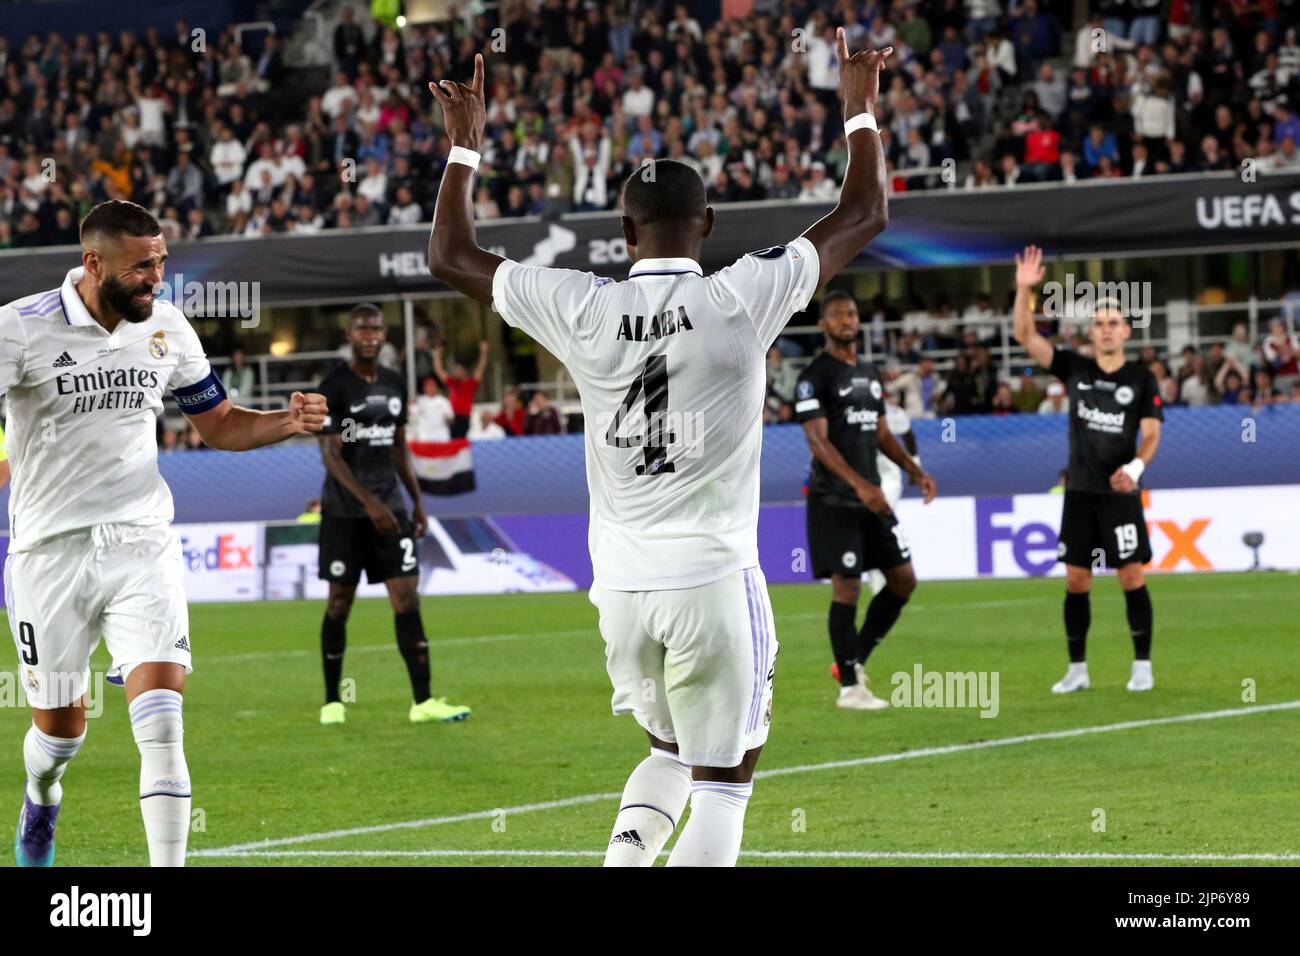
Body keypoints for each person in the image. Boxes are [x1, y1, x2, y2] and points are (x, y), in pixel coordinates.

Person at [426, 37, 893, 866]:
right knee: (725, 779)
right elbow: (864, 216)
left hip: (621, 590)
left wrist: (466, 141)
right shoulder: (740, 296)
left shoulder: (581, 305)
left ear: (623, 230)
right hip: (711, 578)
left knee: (669, 753)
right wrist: (858, 103)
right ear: (707, 224)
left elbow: (451, 257)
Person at [1, 200, 326, 867]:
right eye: (142, 266)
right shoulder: (18, 330)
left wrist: (284, 422)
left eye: (161, 262)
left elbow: (220, 422)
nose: (156, 277)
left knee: (162, 723)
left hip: (141, 543)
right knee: (60, 737)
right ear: (95, 264)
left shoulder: (169, 328)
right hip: (48, 555)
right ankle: (42, 796)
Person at [1012, 245, 1163, 694]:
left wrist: (1135, 466)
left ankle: (1142, 665)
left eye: (1113, 322)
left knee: (1131, 575)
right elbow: (1025, 335)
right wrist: (1024, 291)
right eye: (1099, 323)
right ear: (1092, 333)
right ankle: (1077, 668)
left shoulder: (1142, 378)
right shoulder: (1074, 367)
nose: (1106, 329)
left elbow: (1152, 433)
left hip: (1120, 493)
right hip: (1078, 490)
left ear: (1126, 330)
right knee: (1076, 580)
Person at [314, 305, 470, 727]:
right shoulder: (335, 386)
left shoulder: (394, 382)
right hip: (346, 512)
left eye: (378, 329)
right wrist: (368, 501)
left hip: (392, 509)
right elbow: (330, 453)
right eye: (363, 328)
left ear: (385, 336)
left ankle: (422, 701)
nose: (371, 335)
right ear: (350, 333)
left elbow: (398, 445)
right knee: (340, 601)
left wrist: (416, 502)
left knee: (406, 596)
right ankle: (333, 699)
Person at [795, 292, 936, 711]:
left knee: (903, 579)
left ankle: (852, 662)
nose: (847, 319)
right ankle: (851, 689)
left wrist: (914, 470)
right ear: (823, 324)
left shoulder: (871, 374)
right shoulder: (814, 377)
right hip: (834, 499)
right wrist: (859, 484)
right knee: (848, 587)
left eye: (852, 313)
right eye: (837, 314)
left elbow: (880, 433)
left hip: (870, 497)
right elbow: (818, 442)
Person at [432, 340, 488, 438]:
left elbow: (480, 368)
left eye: (458, 370)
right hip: (451, 418)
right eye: (455, 369)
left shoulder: (471, 384)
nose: (455, 372)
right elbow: (439, 370)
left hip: (464, 419)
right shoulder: (453, 383)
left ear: (464, 371)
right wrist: (437, 353)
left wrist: (484, 352)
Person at [410, 375, 454, 442]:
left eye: (432, 386)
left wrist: (448, 419)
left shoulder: (443, 400)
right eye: (428, 386)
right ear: (424, 388)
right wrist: (411, 404)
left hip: (441, 434)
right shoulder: (420, 400)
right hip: (425, 435)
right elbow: (412, 414)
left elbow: (451, 417)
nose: (431, 388)